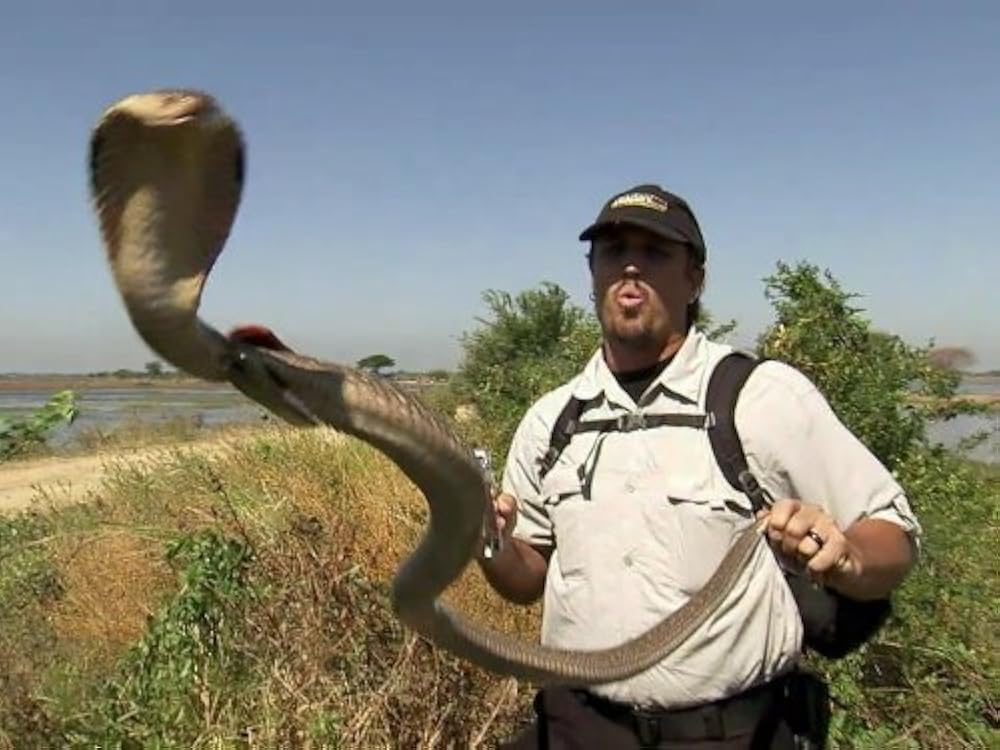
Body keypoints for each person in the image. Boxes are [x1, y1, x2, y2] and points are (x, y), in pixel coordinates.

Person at [477, 184, 921, 749]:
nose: (630, 266)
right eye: (613, 252)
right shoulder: (551, 420)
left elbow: (895, 537)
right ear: (592, 276)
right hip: (575, 727)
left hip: (730, 734)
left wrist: (849, 557)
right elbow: (527, 576)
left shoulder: (761, 397)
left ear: (695, 279)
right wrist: (488, 541)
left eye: (656, 252)